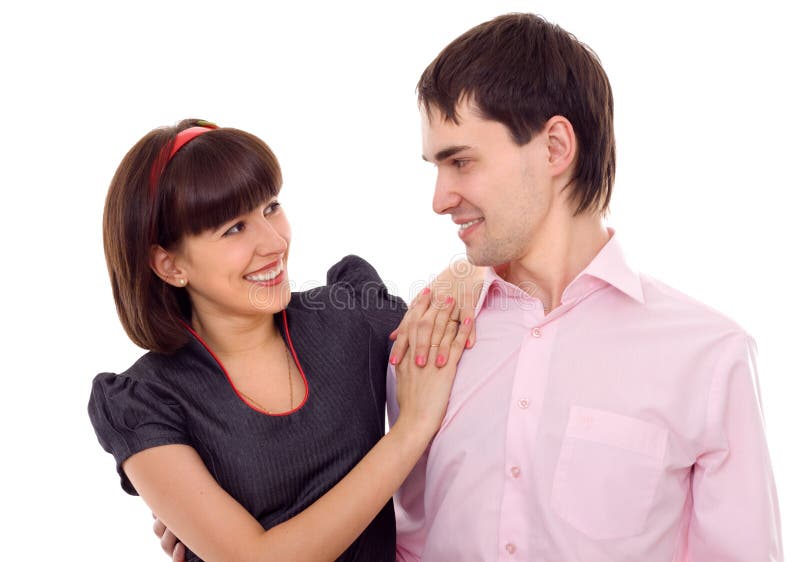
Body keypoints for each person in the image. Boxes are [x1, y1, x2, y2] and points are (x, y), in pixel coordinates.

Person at [388, 12, 783, 561]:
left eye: (460, 162)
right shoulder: (430, 337)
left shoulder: (710, 357)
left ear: (554, 148)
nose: (439, 198)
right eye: (436, 166)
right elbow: (407, 544)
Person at [87, 119, 476, 562]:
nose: (274, 242)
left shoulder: (350, 315)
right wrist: (408, 434)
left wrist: (467, 273)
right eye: (234, 228)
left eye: (271, 207)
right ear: (170, 265)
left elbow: (462, 322)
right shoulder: (146, 400)